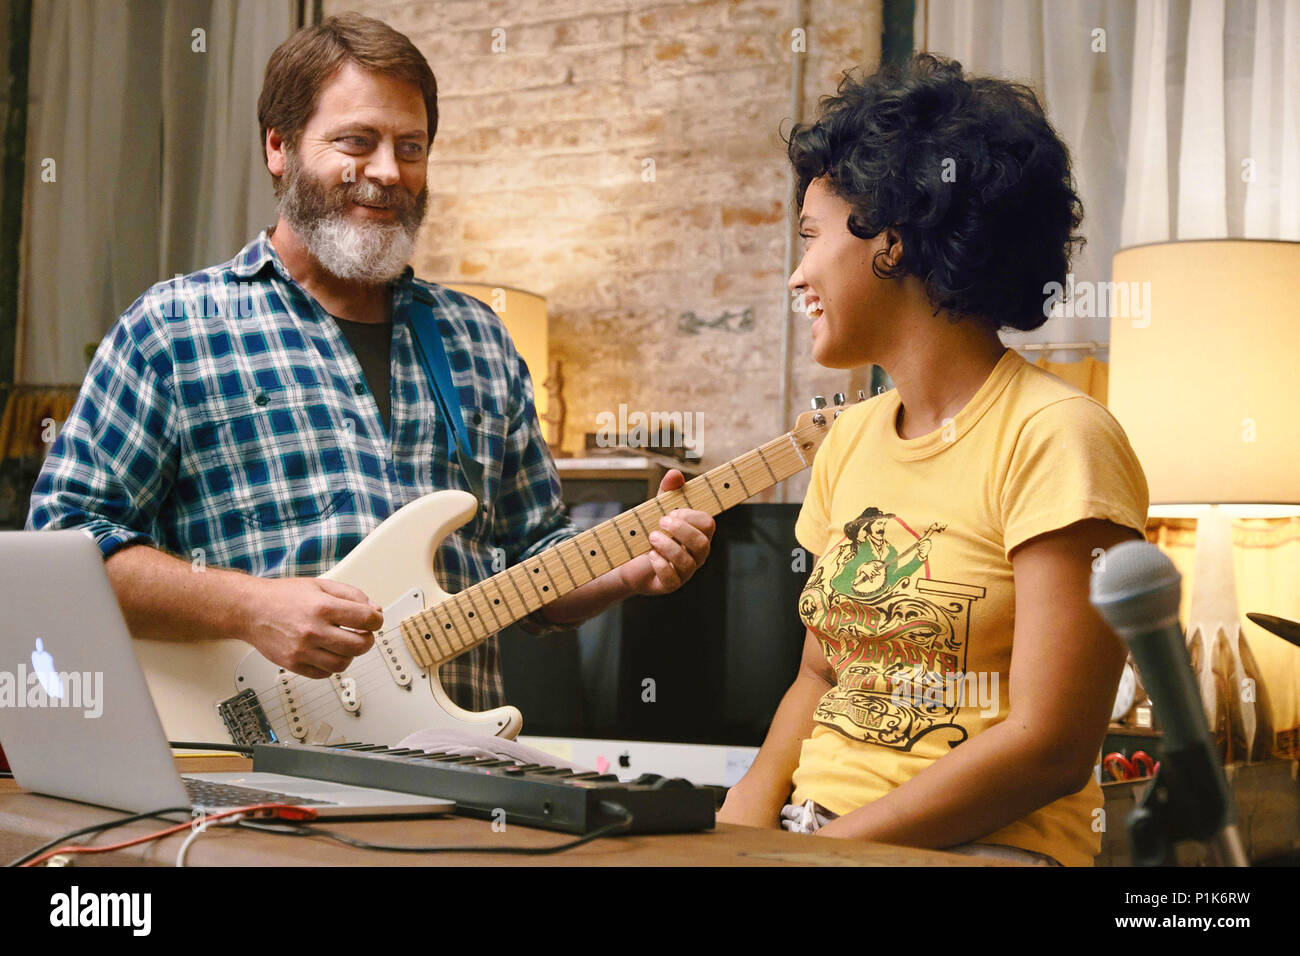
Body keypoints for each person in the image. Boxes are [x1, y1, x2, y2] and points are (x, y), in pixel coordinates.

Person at [26, 13, 714, 713]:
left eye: (410, 147)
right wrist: (249, 606)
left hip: (455, 776)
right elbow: (60, 547)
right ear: (279, 146)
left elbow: (531, 564)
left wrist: (622, 569)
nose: (388, 172)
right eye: (358, 141)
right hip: (249, 776)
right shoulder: (173, 327)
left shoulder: (479, 340)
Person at [717, 54, 1149, 867]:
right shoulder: (846, 440)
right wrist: (736, 837)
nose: (795, 275)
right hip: (820, 837)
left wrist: (821, 855)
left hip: (982, 849)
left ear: (891, 239)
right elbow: (818, 679)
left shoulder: (1058, 437)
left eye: (811, 238)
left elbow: (1050, 743)